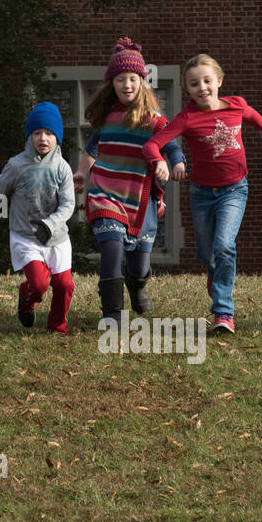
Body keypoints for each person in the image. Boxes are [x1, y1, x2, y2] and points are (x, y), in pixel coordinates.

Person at [143, 54, 262, 335]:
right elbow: (152, 145)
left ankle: (223, 312)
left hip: (235, 190)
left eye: (207, 81)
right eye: (194, 84)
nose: (202, 88)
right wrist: (163, 161)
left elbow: (252, 116)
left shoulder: (236, 105)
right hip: (202, 194)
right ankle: (216, 272)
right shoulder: (187, 118)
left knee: (223, 246)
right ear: (188, 89)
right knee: (208, 252)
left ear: (219, 81)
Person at [75, 38, 185, 324]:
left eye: (133, 79)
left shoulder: (154, 120)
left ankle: (137, 286)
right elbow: (92, 148)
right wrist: (80, 174)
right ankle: (112, 315)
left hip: (140, 200)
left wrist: (172, 163)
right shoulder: (106, 118)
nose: (127, 85)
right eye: (120, 79)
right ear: (111, 83)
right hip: (105, 192)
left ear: (142, 82)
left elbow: (171, 145)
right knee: (111, 247)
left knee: (138, 265)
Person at [0, 102, 76, 334]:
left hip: (57, 237)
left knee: (64, 284)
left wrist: (51, 224)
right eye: (37, 133)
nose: (43, 138)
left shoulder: (63, 168)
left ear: (58, 137)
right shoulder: (16, 165)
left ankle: (57, 327)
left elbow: (68, 204)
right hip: (26, 236)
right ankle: (26, 297)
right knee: (39, 284)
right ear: (29, 135)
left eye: (50, 133)